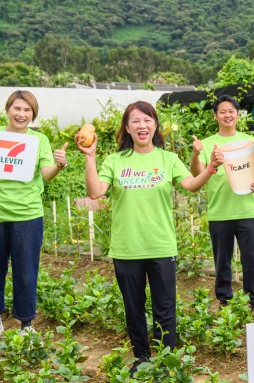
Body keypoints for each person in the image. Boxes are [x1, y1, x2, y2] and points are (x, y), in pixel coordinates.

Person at [79, 101, 218, 368]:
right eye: (135, 121)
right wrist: (89, 156)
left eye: (147, 120)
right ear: (127, 128)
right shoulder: (115, 160)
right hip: (127, 248)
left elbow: (190, 185)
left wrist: (210, 169)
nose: (142, 125)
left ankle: (166, 361)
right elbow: (96, 192)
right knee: (134, 309)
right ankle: (141, 359)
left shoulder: (168, 159)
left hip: (161, 246)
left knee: (165, 309)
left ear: (155, 125)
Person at [0, 90, 68, 341]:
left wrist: (59, 165)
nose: (21, 114)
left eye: (27, 110)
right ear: (8, 110)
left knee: (26, 270)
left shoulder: (38, 140)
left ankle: (26, 326)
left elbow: (45, 173)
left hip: (27, 214)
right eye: (17, 109)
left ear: (33, 114)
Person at [191, 95, 254, 319]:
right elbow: (197, 172)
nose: (227, 115)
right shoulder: (208, 143)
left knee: (251, 259)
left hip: (247, 210)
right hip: (219, 211)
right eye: (222, 111)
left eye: (231, 111)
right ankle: (224, 302)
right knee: (222, 260)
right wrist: (196, 154)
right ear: (215, 116)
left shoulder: (249, 141)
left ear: (237, 114)